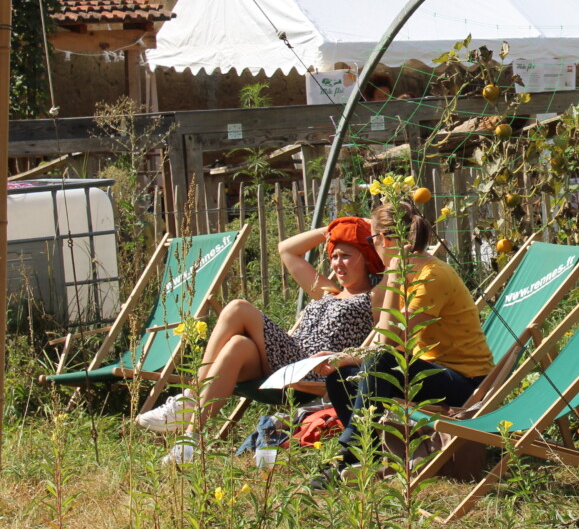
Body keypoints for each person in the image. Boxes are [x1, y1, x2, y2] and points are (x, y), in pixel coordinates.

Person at [139, 217, 384, 464]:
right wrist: (334, 229)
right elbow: (286, 249)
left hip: (311, 368)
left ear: (366, 256)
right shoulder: (326, 290)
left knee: (237, 308)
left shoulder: (374, 297)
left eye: (346, 256)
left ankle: (191, 396)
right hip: (286, 360)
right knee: (237, 345)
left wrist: (369, 227)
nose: (338, 263)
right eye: (334, 256)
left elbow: (398, 266)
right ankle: (188, 443)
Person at [312, 199, 493, 488]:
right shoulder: (410, 274)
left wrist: (394, 275)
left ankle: (348, 453)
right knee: (341, 376)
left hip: (467, 385)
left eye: (372, 240)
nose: (373, 247)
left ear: (386, 239)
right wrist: (341, 358)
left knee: (379, 362)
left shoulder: (430, 277)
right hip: (433, 372)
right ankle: (365, 459)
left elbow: (389, 344)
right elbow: (386, 342)